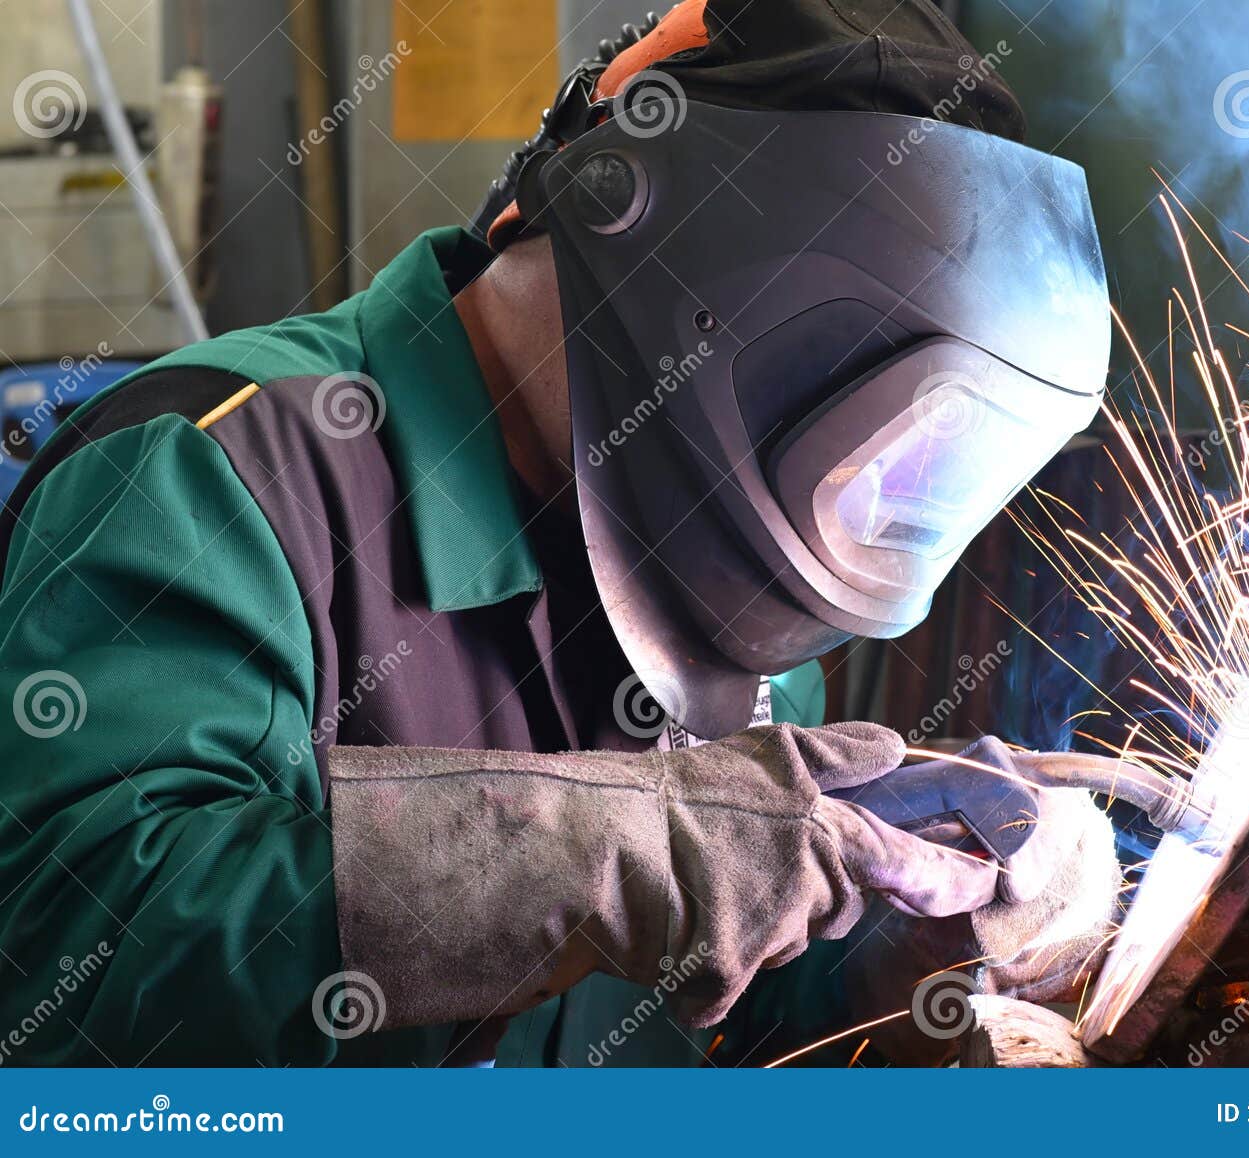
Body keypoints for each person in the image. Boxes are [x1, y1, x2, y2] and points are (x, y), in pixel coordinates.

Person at [0, 0, 1114, 1066]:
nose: (871, 501)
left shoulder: (724, 603)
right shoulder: (212, 474)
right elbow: (80, 976)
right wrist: (606, 854)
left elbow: (741, 1018)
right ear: (627, 208)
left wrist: (915, 928)